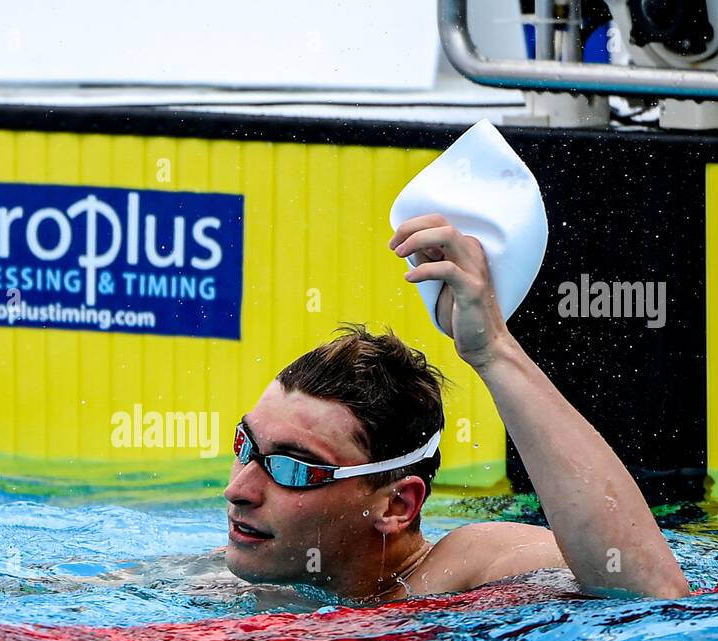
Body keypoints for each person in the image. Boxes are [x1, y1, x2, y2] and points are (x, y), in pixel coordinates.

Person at [223, 213, 690, 604]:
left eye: (292, 467)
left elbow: (651, 595)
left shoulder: (471, 570)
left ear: (398, 504)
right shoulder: (253, 582)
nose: (238, 490)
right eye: (246, 446)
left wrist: (493, 351)